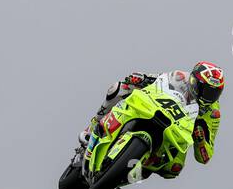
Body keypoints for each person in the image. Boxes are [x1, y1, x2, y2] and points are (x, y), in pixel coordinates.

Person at [78, 62, 223, 178]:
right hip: (154, 108)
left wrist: (201, 138)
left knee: (174, 168)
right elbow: (158, 79)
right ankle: (92, 127)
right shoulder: (179, 77)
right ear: (193, 81)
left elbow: (205, 157)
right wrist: (141, 78)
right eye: (205, 89)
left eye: (214, 93)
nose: (208, 96)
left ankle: (128, 173)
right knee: (118, 88)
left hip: (176, 132)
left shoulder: (212, 113)